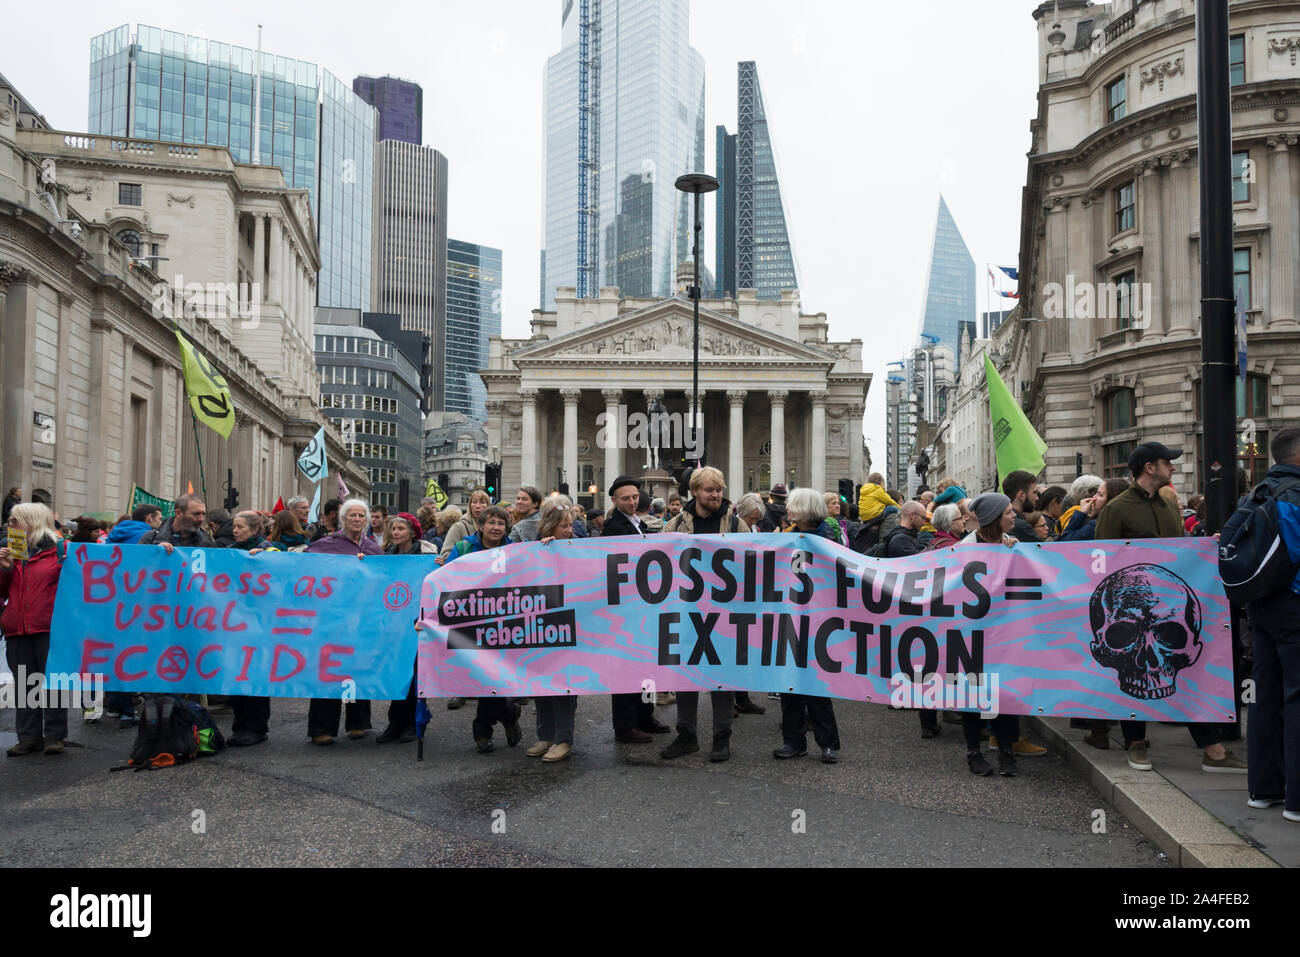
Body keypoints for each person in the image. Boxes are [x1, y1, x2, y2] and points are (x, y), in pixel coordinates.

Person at [1094, 441, 1246, 773]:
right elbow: (1102, 560)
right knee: (1136, 666)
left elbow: (1179, 552)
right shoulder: (1117, 509)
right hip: (1134, 612)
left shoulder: (1165, 504)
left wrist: (1205, 547)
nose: (1173, 467)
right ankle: (1136, 743)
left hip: (1170, 610)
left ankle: (1212, 748)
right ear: (1150, 467)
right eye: (1167, 462)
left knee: (1186, 674)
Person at [659, 466, 750, 762]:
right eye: (710, 490)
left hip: (724, 614)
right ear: (695, 491)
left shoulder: (737, 525)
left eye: (719, 490)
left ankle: (722, 736)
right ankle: (686, 735)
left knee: (721, 676)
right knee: (686, 674)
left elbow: (753, 564)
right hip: (686, 612)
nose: (716, 495)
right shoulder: (673, 526)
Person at [1243, 428, 1300, 821]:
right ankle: (1296, 800)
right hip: (1293, 604)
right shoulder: (1295, 495)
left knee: (1264, 695)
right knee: (1297, 697)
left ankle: (1263, 789)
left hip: (1260, 604)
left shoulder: (1255, 493)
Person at [444, 505, 525, 753]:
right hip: (471, 620)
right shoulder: (463, 548)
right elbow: (446, 576)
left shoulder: (514, 550)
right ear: (480, 525)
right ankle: (508, 714)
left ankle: (482, 730)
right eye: (491, 523)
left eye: (501, 524)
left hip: (503, 621)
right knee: (482, 675)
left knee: (494, 676)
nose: (496, 528)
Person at [959, 493, 1031, 776]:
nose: (1015, 516)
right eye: (1009, 513)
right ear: (994, 519)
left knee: (1004, 692)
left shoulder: (1012, 545)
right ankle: (973, 752)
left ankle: (1006, 750)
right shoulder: (965, 547)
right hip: (972, 635)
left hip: (1004, 634)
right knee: (972, 694)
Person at [305, 499, 382, 745]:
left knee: (356, 669)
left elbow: (386, 578)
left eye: (361, 516)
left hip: (361, 621)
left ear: (366, 520)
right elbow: (298, 567)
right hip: (331, 620)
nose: (357, 520)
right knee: (329, 671)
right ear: (343, 519)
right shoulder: (326, 545)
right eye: (352, 516)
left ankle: (357, 722)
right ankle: (322, 728)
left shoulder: (373, 549)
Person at [773, 488, 842, 764]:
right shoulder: (786, 538)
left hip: (818, 621)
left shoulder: (827, 540)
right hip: (789, 618)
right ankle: (793, 741)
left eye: (793, 505)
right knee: (789, 686)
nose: (788, 509)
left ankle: (828, 744)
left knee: (817, 687)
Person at [602, 475, 672, 743]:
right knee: (626, 668)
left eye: (634, 497)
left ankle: (645, 715)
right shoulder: (613, 527)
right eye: (625, 499)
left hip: (644, 606)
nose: (631, 502)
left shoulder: (638, 522)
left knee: (645, 666)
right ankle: (625, 725)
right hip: (627, 608)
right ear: (614, 500)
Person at [2, 503, 69, 755]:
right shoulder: (11, 552)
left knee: (52, 683)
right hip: (17, 628)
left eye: (15, 520)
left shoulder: (60, 551)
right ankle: (28, 737)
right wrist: (5, 568)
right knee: (24, 685)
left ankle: (54, 736)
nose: (11, 525)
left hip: (48, 626)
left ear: (32, 521)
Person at [376, 513, 437, 746]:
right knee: (396, 671)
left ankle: (412, 721)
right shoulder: (386, 556)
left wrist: (437, 563)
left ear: (412, 532)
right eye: (393, 529)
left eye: (401, 529)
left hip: (416, 621)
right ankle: (395, 722)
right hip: (393, 623)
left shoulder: (425, 555)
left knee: (414, 674)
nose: (395, 533)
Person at [526, 502, 581, 762]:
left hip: (569, 622)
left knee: (564, 686)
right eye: (564, 526)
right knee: (541, 683)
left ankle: (563, 738)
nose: (569, 530)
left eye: (570, 525)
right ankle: (545, 735)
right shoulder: (535, 548)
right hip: (542, 623)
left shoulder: (580, 548)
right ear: (550, 526)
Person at [1058, 478, 1126, 542]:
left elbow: (1065, 541)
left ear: (1111, 500)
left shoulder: (1095, 525)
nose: (1094, 497)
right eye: (1096, 493)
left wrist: (1081, 513)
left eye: (1100, 495)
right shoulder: (1124, 519)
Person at [138, 494, 214, 548]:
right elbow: (137, 566)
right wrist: (155, 552)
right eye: (196, 514)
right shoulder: (150, 539)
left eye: (203, 514)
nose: (201, 519)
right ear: (178, 513)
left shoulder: (208, 542)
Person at [439, 490, 489, 562]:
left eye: (482, 502)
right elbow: (445, 554)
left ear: (488, 506)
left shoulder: (493, 528)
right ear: (469, 505)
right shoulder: (458, 527)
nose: (478, 506)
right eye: (474, 502)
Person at [1001, 470, 1041, 544]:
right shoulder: (1020, 525)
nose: (1037, 498)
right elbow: (1044, 550)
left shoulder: (1004, 521)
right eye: (1034, 493)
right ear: (1022, 495)